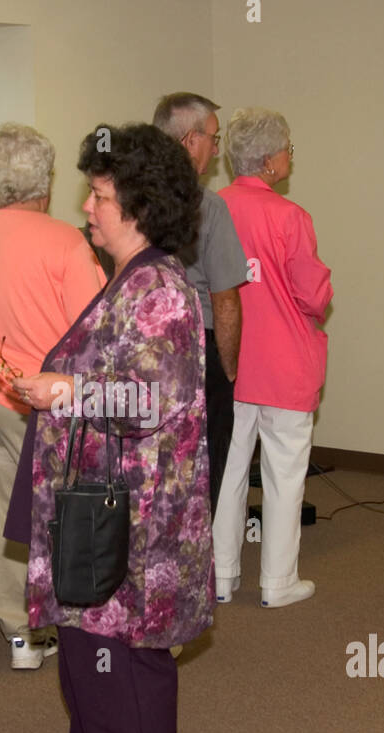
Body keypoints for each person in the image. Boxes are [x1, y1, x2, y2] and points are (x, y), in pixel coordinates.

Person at [9, 123, 210, 733]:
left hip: (139, 509)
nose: (86, 207)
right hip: (101, 493)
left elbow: (152, 399)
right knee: (85, 633)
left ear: (141, 205)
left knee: (128, 652)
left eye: (98, 195)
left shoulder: (160, 288)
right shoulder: (128, 275)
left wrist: (64, 389)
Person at [0, 123, 103, 670]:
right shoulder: (67, 241)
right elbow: (94, 331)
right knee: (59, 512)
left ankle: (20, 635)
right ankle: (64, 617)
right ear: (47, 179)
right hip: (41, 401)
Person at [213, 108, 333, 609]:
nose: (290, 155)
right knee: (285, 474)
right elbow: (315, 296)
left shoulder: (210, 209)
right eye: (288, 147)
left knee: (226, 471)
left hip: (226, 364)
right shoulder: (291, 218)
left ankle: (220, 576)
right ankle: (277, 582)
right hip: (284, 367)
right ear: (268, 160)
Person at [152, 92, 247, 516]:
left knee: (152, 464)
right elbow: (225, 299)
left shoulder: (126, 199)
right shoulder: (208, 207)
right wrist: (228, 371)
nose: (216, 147)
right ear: (190, 140)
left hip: (141, 349)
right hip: (197, 349)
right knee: (205, 467)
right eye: (214, 137)